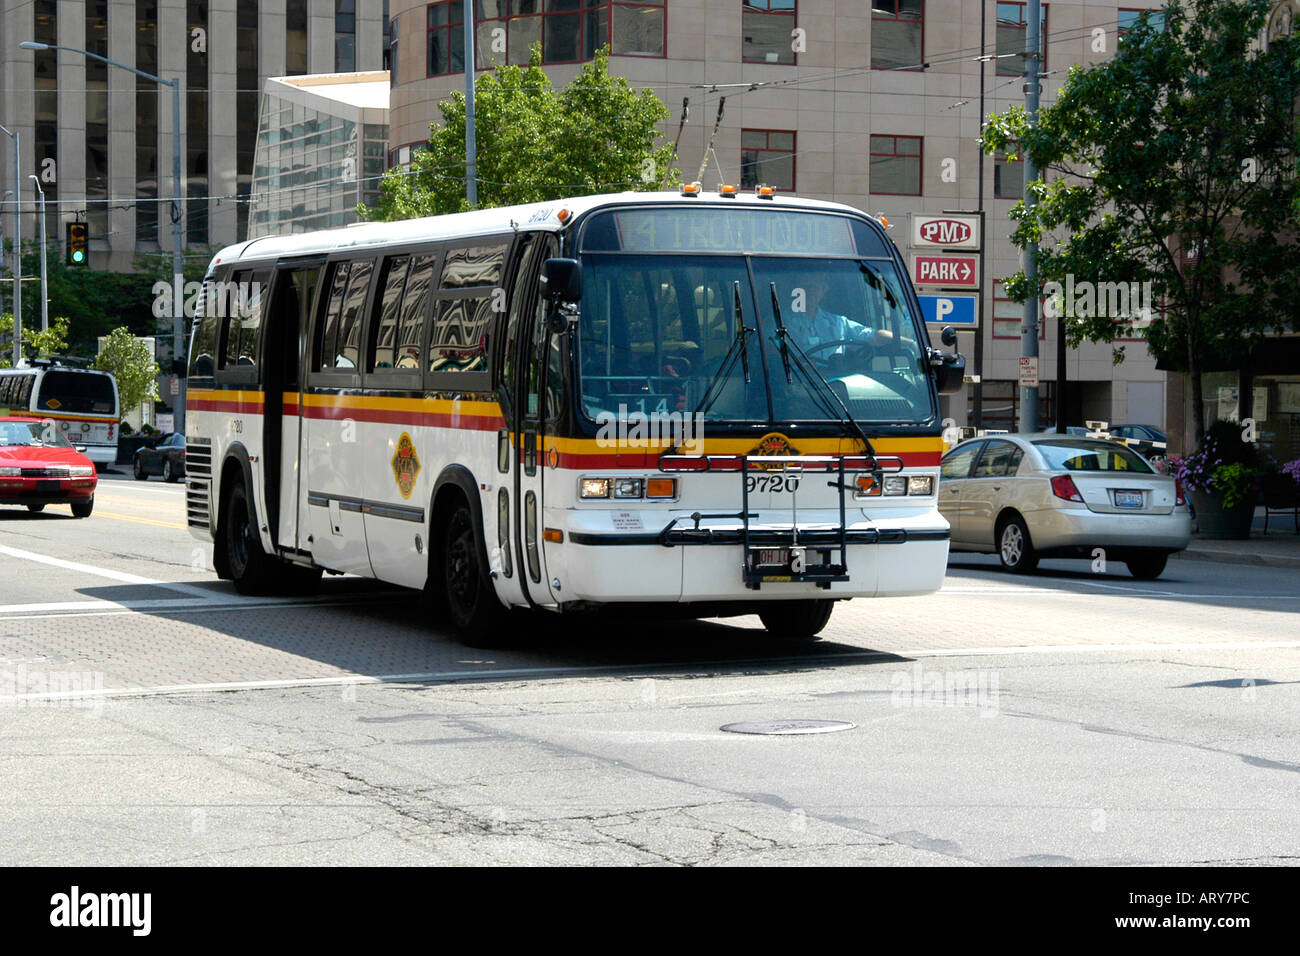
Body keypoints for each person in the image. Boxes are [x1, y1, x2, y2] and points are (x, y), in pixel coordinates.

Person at [785, 273, 894, 359]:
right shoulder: (780, 321)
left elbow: (873, 336)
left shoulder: (838, 322)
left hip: (836, 382)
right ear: (796, 290)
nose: (811, 291)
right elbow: (774, 355)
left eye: (816, 286)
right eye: (806, 286)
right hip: (800, 382)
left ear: (823, 290)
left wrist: (909, 342)